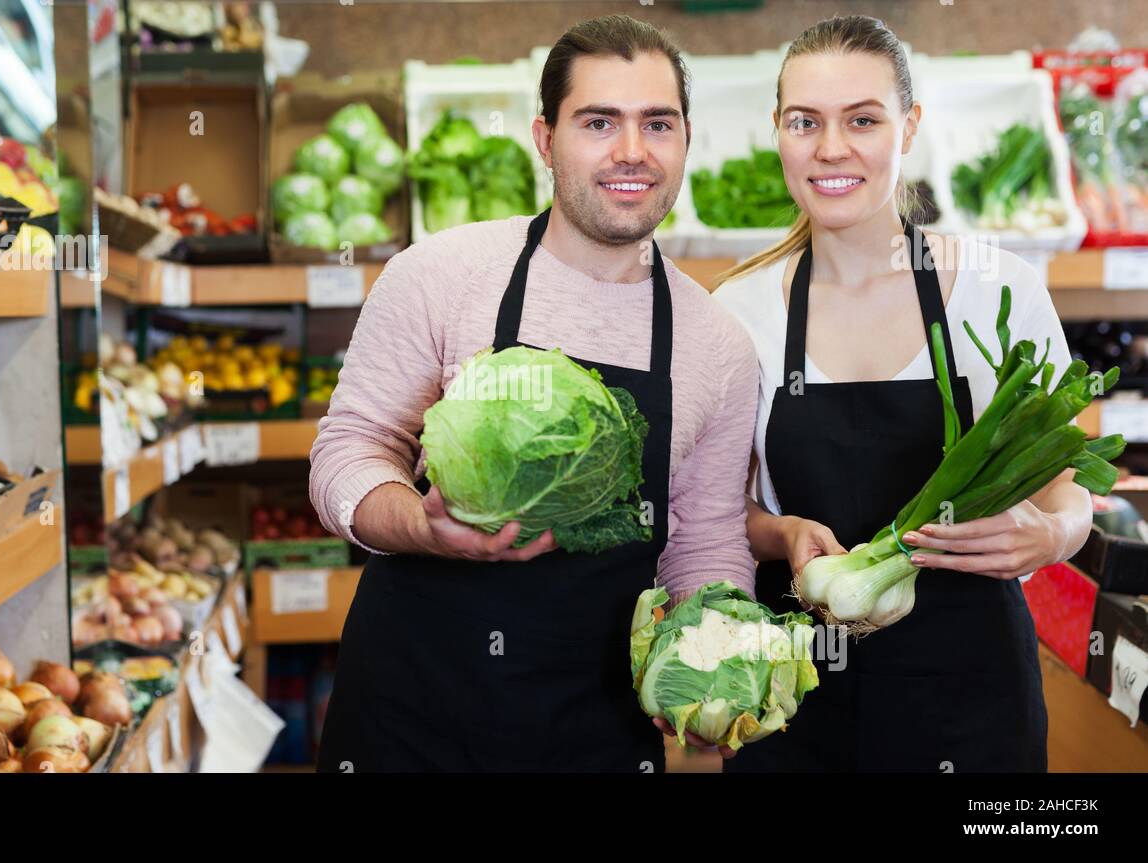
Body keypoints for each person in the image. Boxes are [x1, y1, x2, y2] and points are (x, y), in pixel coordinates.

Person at [309, 15, 758, 772]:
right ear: (545, 140)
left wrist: (712, 666)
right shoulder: (442, 274)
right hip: (412, 714)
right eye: (598, 122)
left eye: (658, 124)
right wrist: (420, 527)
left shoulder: (717, 344)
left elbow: (706, 540)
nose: (631, 152)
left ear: (685, 139)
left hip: (592, 728)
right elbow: (347, 454)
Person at [711, 15, 1093, 773]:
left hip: (972, 697)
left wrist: (1049, 538)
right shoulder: (740, 310)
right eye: (804, 122)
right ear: (778, 132)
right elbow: (717, 508)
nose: (831, 148)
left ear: (909, 126)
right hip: (793, 694)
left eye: (863, 119)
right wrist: (782, 537)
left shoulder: (995, 289)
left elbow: (1069, 497)